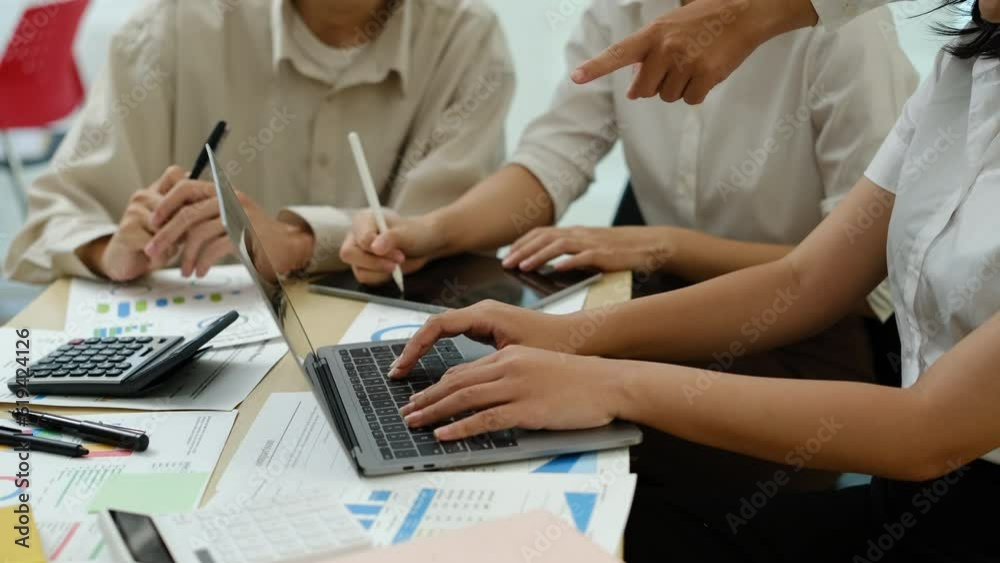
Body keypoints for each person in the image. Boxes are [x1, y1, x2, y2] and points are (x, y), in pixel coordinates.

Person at [383, 2, 1000, 561]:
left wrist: (609, 378)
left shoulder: (848, 37)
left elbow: (925, 428)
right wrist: (565, 334)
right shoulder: (965, 65)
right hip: (913, 492)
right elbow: (806, 277)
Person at [3, 0, 514, 283]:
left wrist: (298, 243)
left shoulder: (466, 41)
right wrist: (108, 251)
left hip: (395, 360)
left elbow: (450, 235)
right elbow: (49, 222)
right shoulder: (176, 24)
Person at [573, 0, 915, 104]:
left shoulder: (851, 34)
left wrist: (666, 247)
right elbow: (553, 154)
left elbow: (858, 262)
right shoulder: (613, 11)